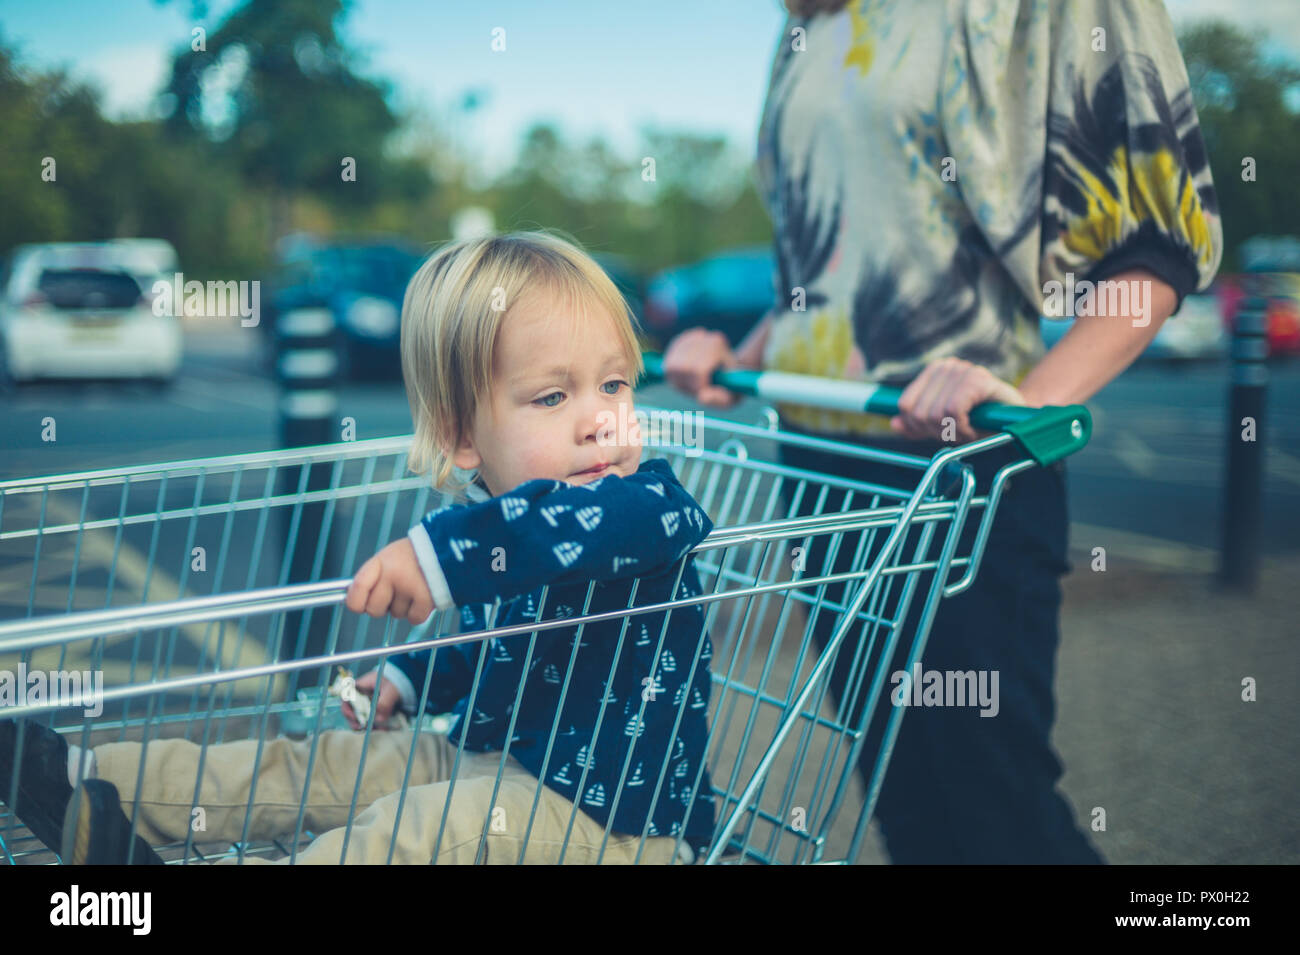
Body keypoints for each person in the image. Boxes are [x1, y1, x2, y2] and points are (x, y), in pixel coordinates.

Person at [664, 0, 1222, 863]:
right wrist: (732, 353)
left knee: (994, 809)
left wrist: (1027, 399)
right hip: (821, 463)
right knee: (905, 803)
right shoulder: (808, 24)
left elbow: (1158, 242)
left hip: (966, 464)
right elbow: (839, 259)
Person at [1, 231, 716, 865]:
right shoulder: (500, 523)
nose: (599, 419)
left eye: (614, 384)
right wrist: (408, 677)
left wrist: (436, 555)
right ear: (463, 436)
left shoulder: (647, 506)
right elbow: (501, 644)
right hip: (488, 760)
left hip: (616, 824)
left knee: (413, 828)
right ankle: (78, 779)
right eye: (553, 397)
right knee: (312, 764)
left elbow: (562, 532)